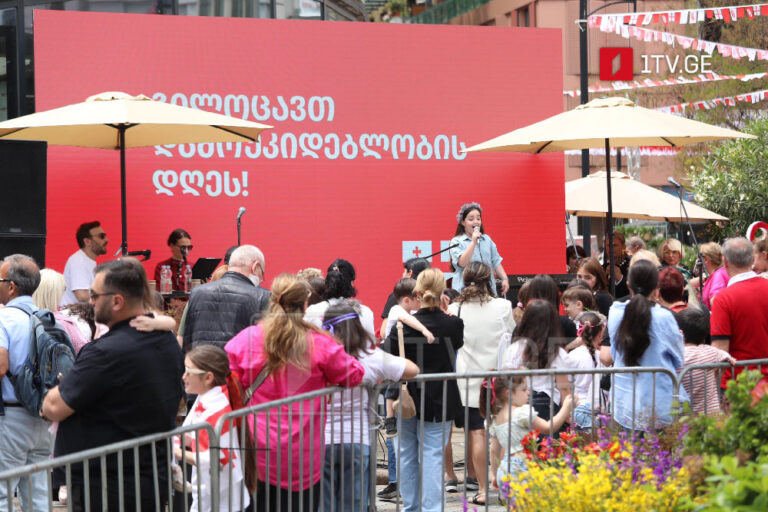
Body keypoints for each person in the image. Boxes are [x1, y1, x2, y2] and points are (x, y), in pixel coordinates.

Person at [42, 258, 184, 510]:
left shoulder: (106, 351)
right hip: (148, 475)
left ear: (117, 301)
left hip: (108, 486)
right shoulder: (166, 342)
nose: (91, 301)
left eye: (95, 295)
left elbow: (54, 406)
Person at [225, 274, 365, 512]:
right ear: (305, 304)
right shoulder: (319, 342)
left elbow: (226, 377)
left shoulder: (248, 338)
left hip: (256, 455)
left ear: (273, 300)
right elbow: (354, 374)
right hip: (304, 459)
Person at [320, 301, 419, 512]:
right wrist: (379, 377)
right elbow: (412, 369)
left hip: (322, 439)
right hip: (357, 440)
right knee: (355, 504)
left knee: (324, 504)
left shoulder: (318, 357)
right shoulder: (371, 357)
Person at [385, 268, 463, 512]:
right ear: (443, 294)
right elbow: (457, 343)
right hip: (441, 399)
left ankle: (411, 507)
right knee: (433, 456)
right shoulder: (453, 324)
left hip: (408, 399)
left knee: (407, 454)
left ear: (416, 292)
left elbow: (389, 354)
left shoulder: (402, 327)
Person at [444, 262, 513, 505]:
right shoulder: (504, 306)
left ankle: (483, 490)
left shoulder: (455, 307)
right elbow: (510, 336)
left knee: (477, 434)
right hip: (498, 380)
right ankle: (503, 487)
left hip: (469, 381)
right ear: (489, 280)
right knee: (502, 435)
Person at [0, 255, 53, 512]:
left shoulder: (3, 319)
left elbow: (0, 367)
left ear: (11, 286)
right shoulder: (49, 318)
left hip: (10, 417)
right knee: (38, 496)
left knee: (2, 494)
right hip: (43, 416)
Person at [608, 260, 687, 431]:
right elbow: (679, 359)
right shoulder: (664, 317)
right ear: (656, 287)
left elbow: (614, 353)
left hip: (624, 404)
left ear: (628, 285)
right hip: (660, 403)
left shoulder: (615, 312)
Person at [175, 345, 254, 512]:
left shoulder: (217, 410)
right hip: (215, 493)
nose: (184, 376)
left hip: (222, 500)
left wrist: (178, 452)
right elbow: (202, 437)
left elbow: (212, 458)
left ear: (208, 378)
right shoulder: (209, 398)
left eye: (189, 371)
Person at [482, 373, 574, 491]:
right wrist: (566, 408)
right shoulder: (522, 413)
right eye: (524, 389)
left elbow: (494, 450)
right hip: (522, 466)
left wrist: (495, 474)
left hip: (505, 468)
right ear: (509, 394)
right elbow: (548, 427)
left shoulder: (495, 417)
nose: (529, 392)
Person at [183, 244, 270, 351]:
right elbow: (267, 343)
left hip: (200, 364)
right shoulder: (262, 297)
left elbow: (187, 340)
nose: (261, 278)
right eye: (262, 272)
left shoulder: (197, 293)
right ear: (255, 266)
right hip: (237, 366)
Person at [500, 301, 571, 429]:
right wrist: (567, 413)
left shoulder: (514, 348)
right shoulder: (557, 352)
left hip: (518, 403)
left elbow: (506, 378)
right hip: (546, 403)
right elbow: (564, 387)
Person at [710, 237, 768, 387]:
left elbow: (720, 351)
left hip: (738, 385)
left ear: (725, 261)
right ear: (752, 259)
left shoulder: (723, 299)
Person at [675, 308, 732, 415]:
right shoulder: (709, 351)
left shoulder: (676, 356)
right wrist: (716, 377)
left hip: (687, 418)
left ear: (680, 333)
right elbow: (727, 358)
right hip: (711, 415)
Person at [449, 202, 509, 296]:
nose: (476, 222)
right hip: (465, 292)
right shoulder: (456, 241)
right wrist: (473, 242)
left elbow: (496, 261)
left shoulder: (487, 239)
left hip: (488, 291)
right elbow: (462, 263)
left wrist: (504, 278)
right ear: (462, 222)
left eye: (478, 218)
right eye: (471, 219)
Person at [305, 259, 376, 337]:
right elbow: (370, 344)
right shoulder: (365, 312)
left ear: (327, 283)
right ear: (351, 283)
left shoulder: (312, 311)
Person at [568, 311, 607, 430]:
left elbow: (566, 384)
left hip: (576, 409)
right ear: (600, 335)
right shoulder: (604, 358)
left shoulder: (572, 356)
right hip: (598, 409)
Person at [379, 257, 430, 338]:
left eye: (404, 272)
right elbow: (385, 333)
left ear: (410, 273)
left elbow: (383, 333)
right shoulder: (432, 298)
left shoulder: (398, 295)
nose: (420, 300)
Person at [61, 221, 108, 305]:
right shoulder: (78, 261)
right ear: (87, 241)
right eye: (101, 236)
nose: (106, 240)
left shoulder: (85, 260)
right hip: (74, 316)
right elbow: (82, 296)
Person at [690, 242, 730, 310]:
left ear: (706, 259)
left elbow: (716, 303)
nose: (698, 260)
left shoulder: (718, 276)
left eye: (699, 257)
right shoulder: (721, 272)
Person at [603, 231, 630, 298]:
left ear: (623, 247)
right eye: (608, 245)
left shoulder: (632, 265)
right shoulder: (603, 268)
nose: (610, 248)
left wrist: (620, 278)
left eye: (614, 245)